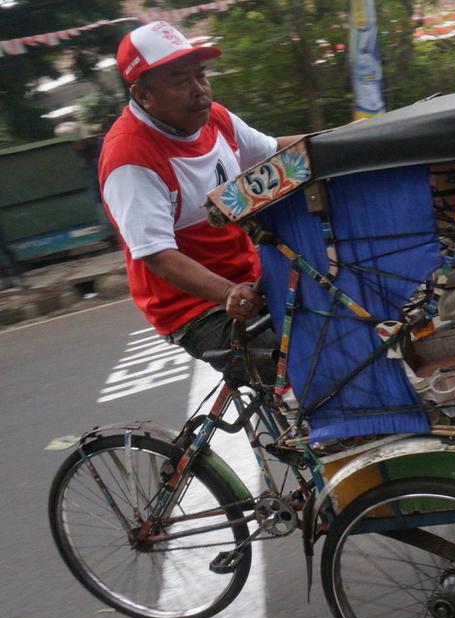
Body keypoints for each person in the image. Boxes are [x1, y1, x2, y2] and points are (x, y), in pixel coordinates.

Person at [99, 21, 302, 379]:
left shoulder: (214, 118)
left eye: (200, 75)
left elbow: (276, 153)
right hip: (196, 306)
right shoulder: (131, 158)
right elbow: (159, 256)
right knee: (301, 365)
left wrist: (353, 142)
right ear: (142, 95)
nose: (200, 90)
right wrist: (227, 292)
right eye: (180, 81)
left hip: (250, 277)